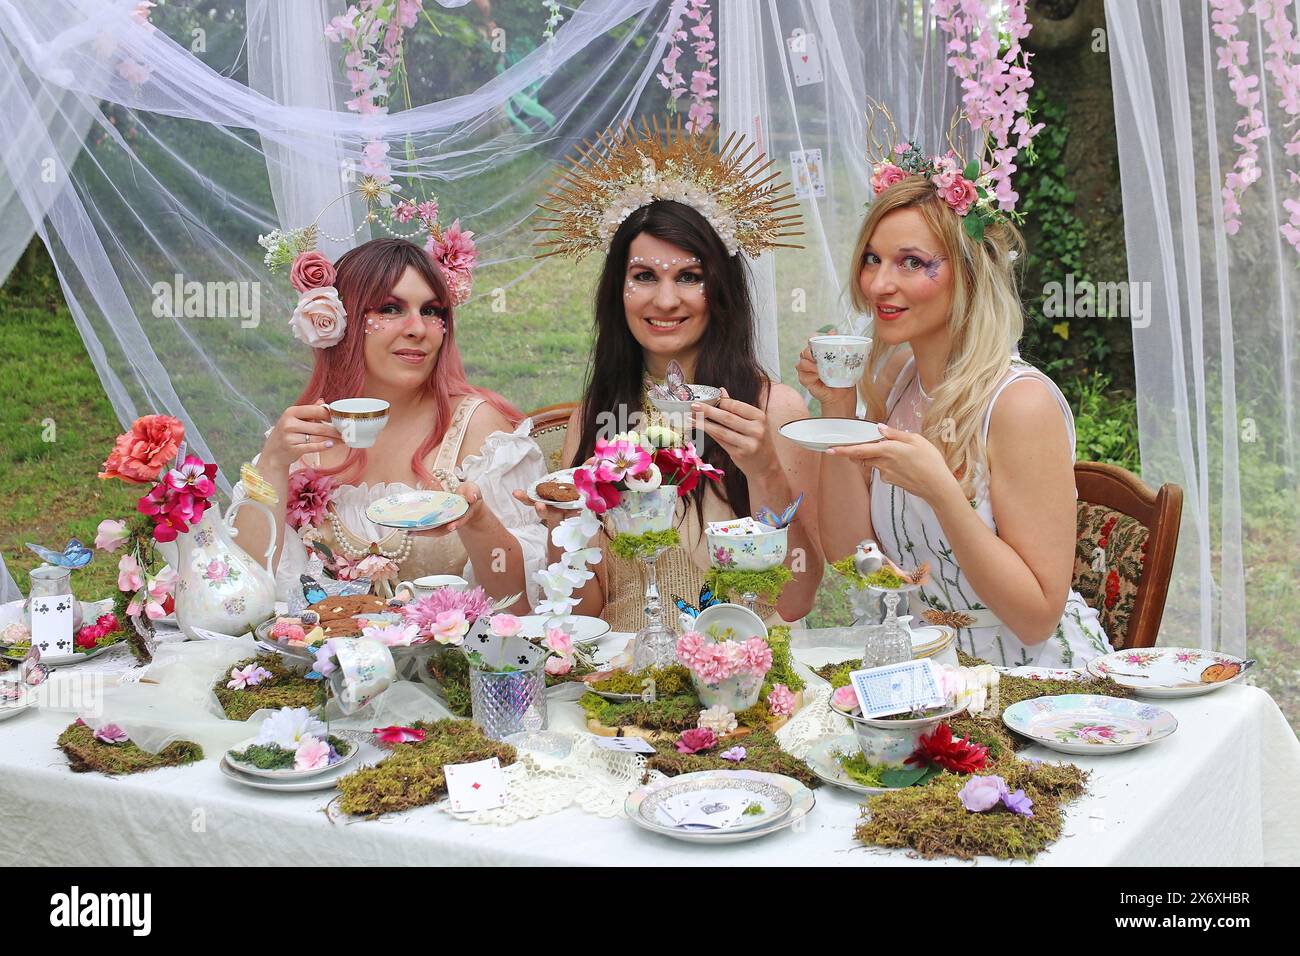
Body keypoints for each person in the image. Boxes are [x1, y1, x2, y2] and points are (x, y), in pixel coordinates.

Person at [798, 168, 1112, 668]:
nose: (880, 283)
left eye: (911, 262)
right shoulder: (895, 380)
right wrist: (838, 411)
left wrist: (942, 492)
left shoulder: (1019, 405)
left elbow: (1036, 618)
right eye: (872, 260)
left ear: (969, 272)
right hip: (926, 661)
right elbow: (850, 558)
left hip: (1026, 674)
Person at [517, 122, 823, 630]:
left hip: (743, 682)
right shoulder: (598, 416)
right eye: (644, 277)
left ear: (720, 291)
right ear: (618, 291)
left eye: (689, 277)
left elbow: (797, 598)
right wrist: (563, 525)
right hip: (623, 685)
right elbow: (585, 612)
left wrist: (765, 470)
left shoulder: (774, 410)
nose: (665, 300)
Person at [233, 238, 545, 610]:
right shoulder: (303, 439)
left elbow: (519, 605)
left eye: (431, 311)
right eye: (391, 308)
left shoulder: (480, 430)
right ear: (342, 320)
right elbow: (242, 594)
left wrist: (477, 522)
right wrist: (273, 463)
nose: (418, 328)